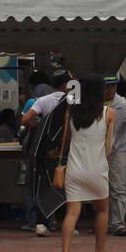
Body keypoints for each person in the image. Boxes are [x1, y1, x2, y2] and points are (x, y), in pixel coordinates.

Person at [57, 75, 117, 252]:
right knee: (102, 210)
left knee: (71, 213)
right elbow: (109, 148)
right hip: (97, 169)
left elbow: (65, 141)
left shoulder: (72, 112)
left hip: (74, 169)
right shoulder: (109, 113)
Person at [20, 70, 71, 236]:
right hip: (63, 150)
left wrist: (40, 125)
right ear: (66, 85)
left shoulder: (43, 100)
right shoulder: (71, 101)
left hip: (42, 150)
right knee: (63, 185)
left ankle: (40, 222)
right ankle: (61, 221)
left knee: (41, 183)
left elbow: (25, 119)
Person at [104, 76, 126, 237]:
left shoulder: (124, 105)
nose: (110, 89)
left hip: (118, 149)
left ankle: (118, 223)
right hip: (98, 151)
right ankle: (104, 222)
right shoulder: (96, 103)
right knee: (101, 188)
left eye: (113, 86)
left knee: (118, 187)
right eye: (107, 86)